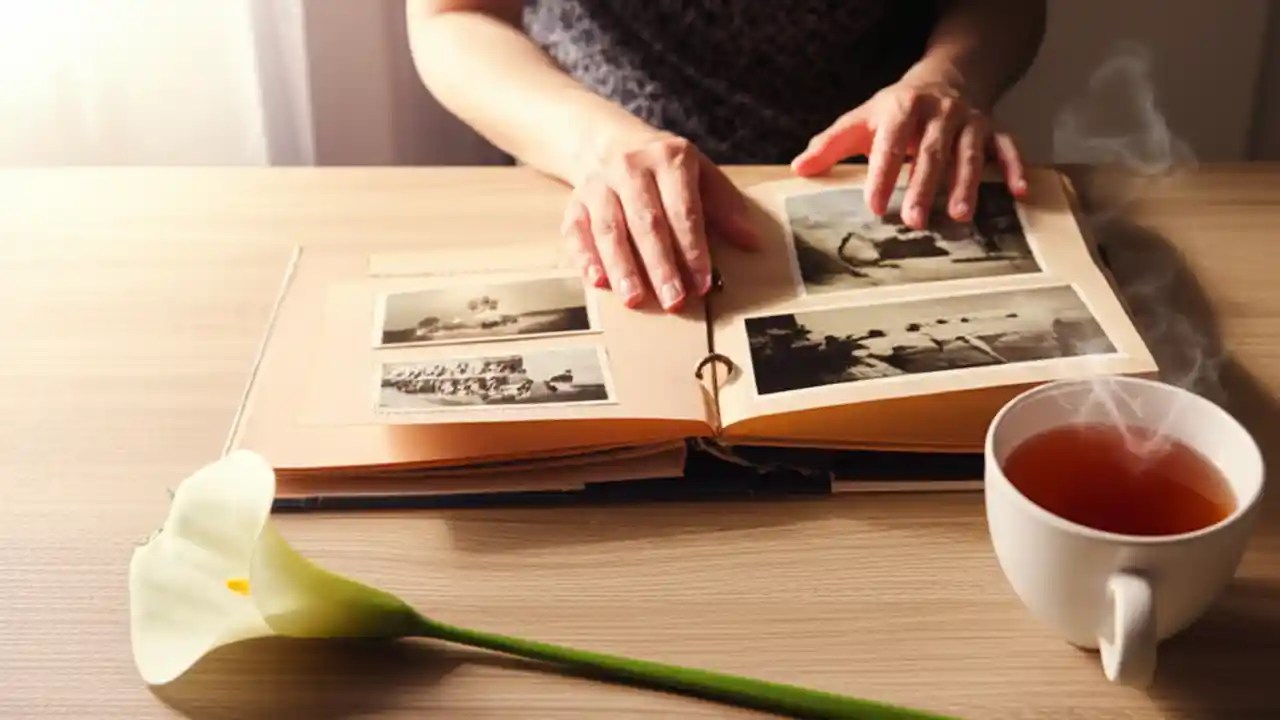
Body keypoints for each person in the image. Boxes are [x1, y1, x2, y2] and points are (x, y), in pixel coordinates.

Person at [408, 1, 1046, 312]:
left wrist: (948, 79)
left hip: (885, 178)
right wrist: (597, 144)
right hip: (584, 164)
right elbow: (452, 15)